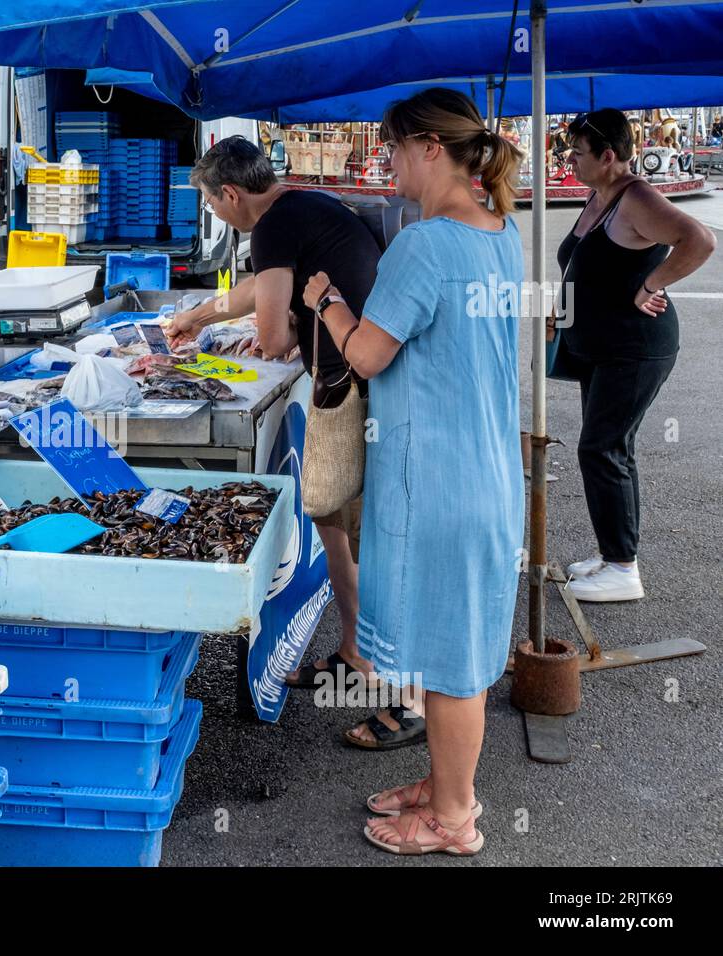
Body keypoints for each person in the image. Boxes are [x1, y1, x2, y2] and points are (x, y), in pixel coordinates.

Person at [303, 87, 525, 855]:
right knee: (450, 649)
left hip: (442, 484)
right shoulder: (501, 233)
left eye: (393, 146)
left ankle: (454, 818)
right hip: (487, 474)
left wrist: (327, 299)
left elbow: (365, 354)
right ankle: (442, 783)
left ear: (430, 147)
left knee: (455, 666)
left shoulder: (424, 247)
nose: (385, 160)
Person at [166, 138, 420, 749]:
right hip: (363, 384)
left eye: (211, 203)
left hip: (353, 389)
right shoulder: (304, 206)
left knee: (367, 535)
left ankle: (405, 692)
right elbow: (263, 292)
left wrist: (254, 333)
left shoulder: (272, 226)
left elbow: (274, 335)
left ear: (231, 193)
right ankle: (357, 656)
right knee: (335, 523)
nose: (215, 216)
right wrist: (199, 316)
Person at [553, 109, 715, 601]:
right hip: (600, 347)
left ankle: (624, 569)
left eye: (578, 153)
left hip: (636, 349)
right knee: (610, 449)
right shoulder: (599, 196)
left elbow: (700, 240)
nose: (570, 160)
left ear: (608, 156)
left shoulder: (638, 197)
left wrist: (652, 282)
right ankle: (611, 555)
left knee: (601, 448)